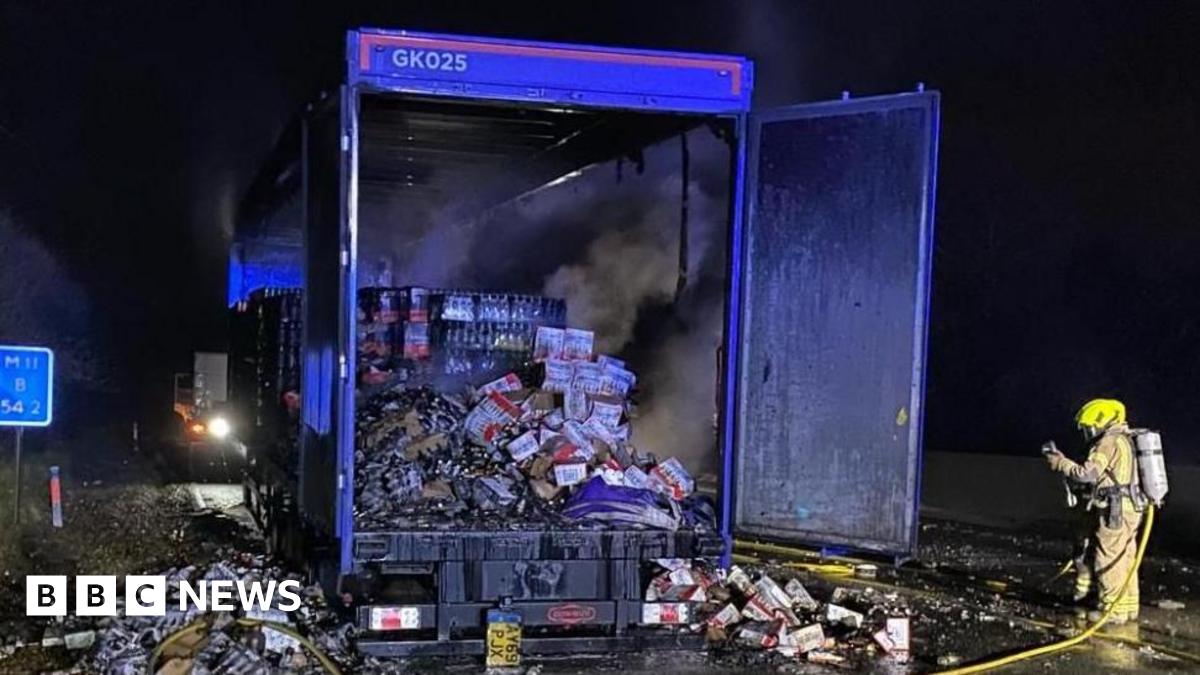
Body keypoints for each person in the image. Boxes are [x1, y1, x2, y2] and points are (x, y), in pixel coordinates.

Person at [1044, 398, 1143, 624]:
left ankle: (1113, 611)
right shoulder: (1126, 439)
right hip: (1131, 508)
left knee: (1107, 557)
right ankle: (1128, 607)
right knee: (1125, 557)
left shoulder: (1108, 441)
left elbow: (1087, 473)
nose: (1088, 433)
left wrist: (1061, 463)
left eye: (1089, 428)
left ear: (1101, 421)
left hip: (1114, 510)